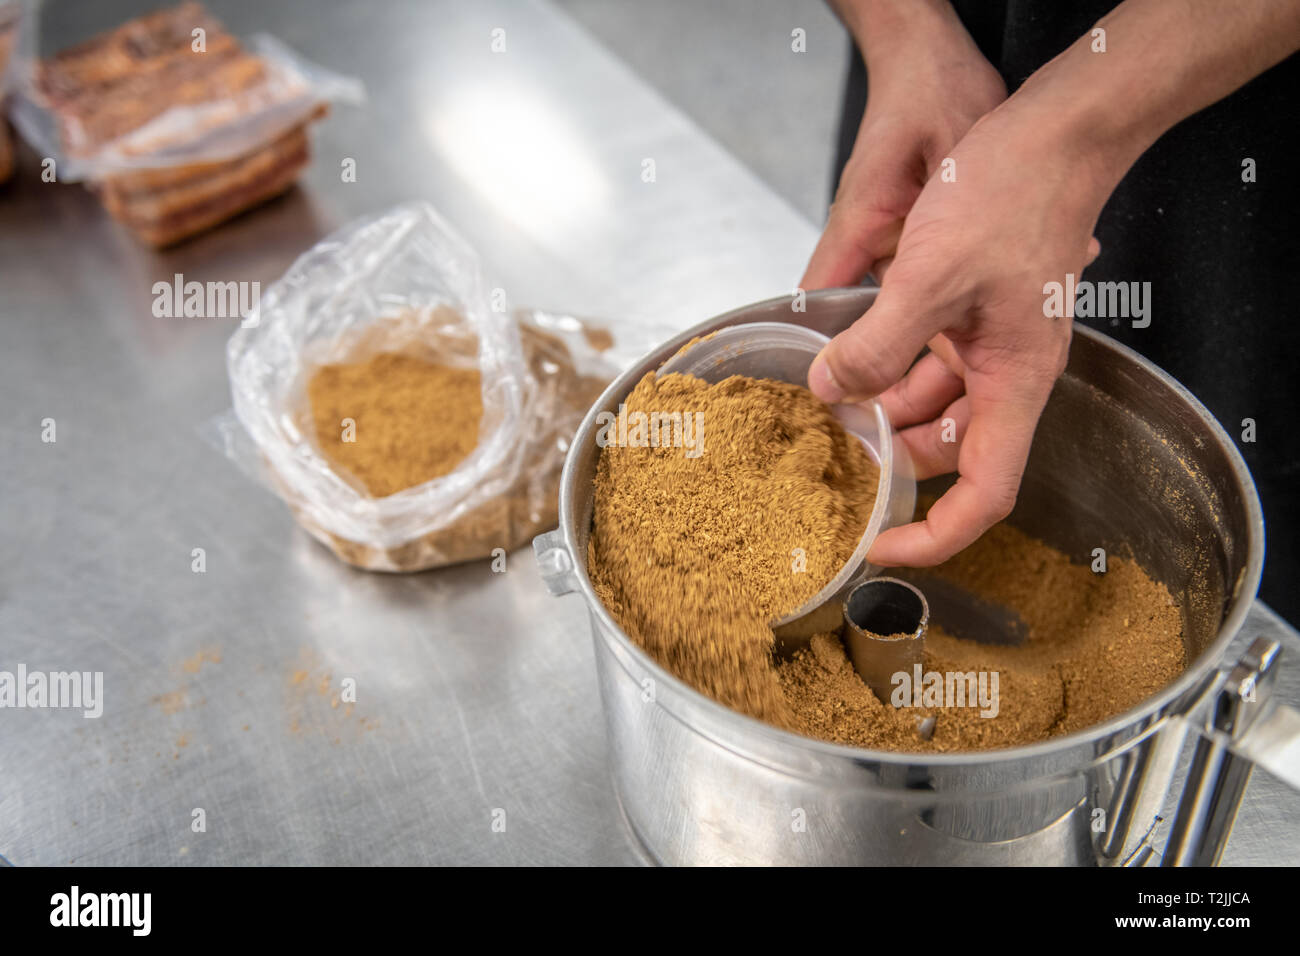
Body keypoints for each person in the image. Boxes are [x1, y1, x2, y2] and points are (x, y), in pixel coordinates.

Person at [806, 0, 1300, 621]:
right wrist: (906, 37)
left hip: (1212, 152)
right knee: (899, 404)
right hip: (934, 96)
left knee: (1242, 545)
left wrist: (1071, 139)